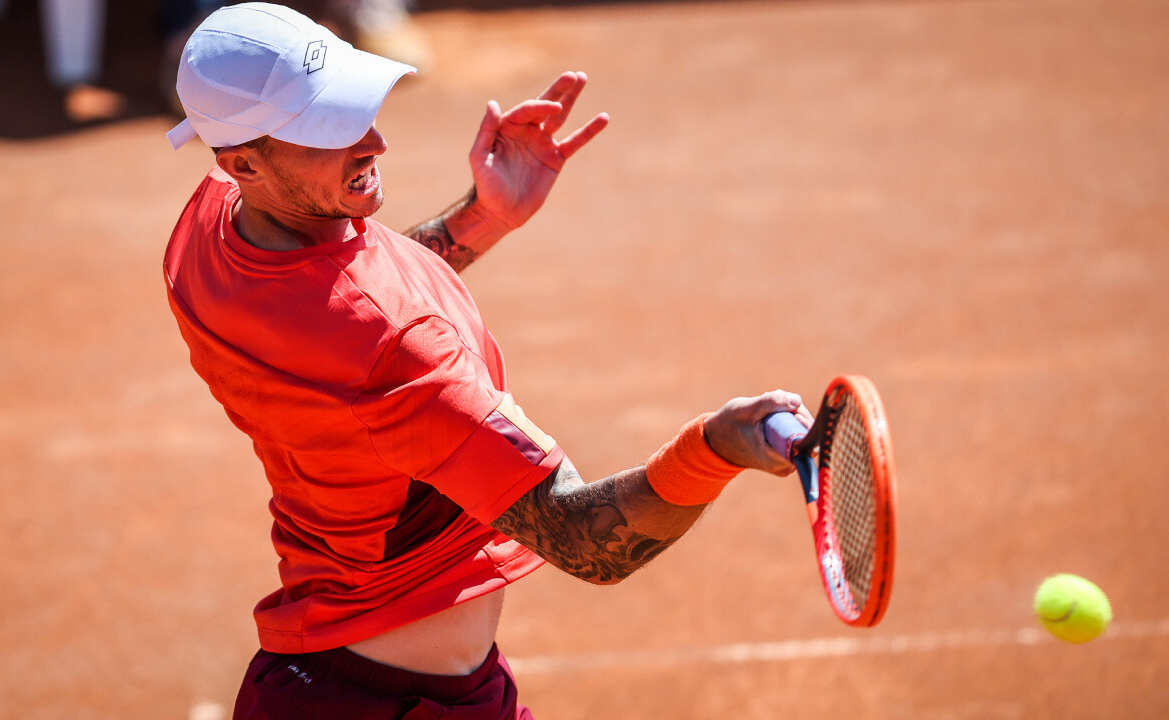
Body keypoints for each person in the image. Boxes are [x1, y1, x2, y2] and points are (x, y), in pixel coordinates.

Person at [162, 3, 812, 718]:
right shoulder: (391, 349)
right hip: (390, 705)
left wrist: (484, 215)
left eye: (357, 110)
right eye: (328, 129)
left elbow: (348, 292)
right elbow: (586, 542)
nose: (373, 140)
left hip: (329, 678)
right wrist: (717, 447)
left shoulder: (210, 228)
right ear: (243, 161)